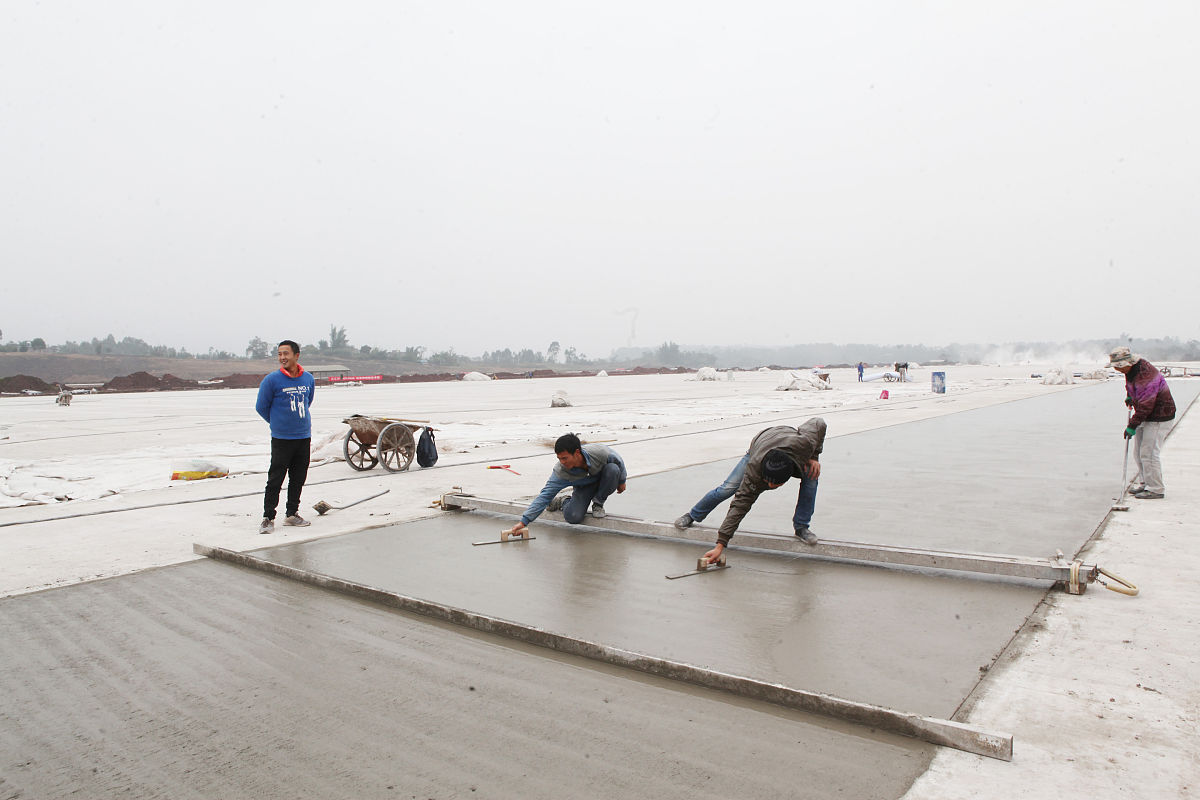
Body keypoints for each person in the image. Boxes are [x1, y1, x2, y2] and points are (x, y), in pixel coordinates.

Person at [674, 418, 826, 564]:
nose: (770, 487)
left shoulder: (804, 444)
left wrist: (814, 456)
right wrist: (720, 544)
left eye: (776, 484)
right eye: (767, 482)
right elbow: (740, 504)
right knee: (727, 488)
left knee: (812, 476)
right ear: (762, 476)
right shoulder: (754, 471)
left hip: (790, 441)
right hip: (761, 443)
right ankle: (692, 515)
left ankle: (801, 527)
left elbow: (818, 423)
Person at [503, 433, 627, 538]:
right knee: (573, 517)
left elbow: (617, 460)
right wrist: (523, 522)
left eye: (565, 458)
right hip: (584, 487)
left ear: (577, 452)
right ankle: (563, 501)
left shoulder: (599, 452)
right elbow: (544, 496)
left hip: (602, 478)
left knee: (613, 470)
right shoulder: (561, 472)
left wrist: (621, 481)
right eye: (559, 458)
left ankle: (598, 504)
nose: (562, 462)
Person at [256, 340, 317, 533]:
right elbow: (261, 407)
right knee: (275, 478)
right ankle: (268, 517)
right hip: (282, 439)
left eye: (286, 354)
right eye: (280, 354)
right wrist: (278, 423)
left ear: (296, 356)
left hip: (303, 436)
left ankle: (292, 514)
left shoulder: (308, 379)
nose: (282, 357)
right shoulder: (271, 380)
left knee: (298, 477)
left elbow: (308, 401)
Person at [1109, 346, 1175, 499]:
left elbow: (1146, 404)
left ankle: (1156, 489)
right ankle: (1145, 483)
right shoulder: (1131, 370)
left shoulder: (1145, 374)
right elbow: (1132, 386)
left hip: (1159, 416)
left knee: (1149, 453)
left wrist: (1132, 425)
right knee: (1138, 452)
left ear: (1127, 362)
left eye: (1118, 366)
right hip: (1146, 414)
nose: (1117, 370)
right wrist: (1130, 396)